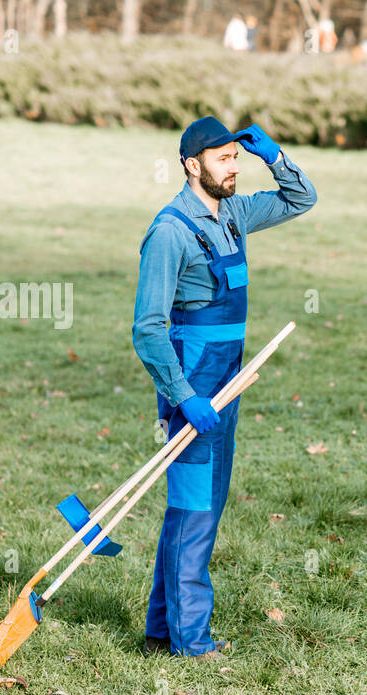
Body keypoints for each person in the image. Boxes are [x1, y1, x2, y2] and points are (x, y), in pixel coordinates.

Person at [131, 117, 318, 659]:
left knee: (198, 504)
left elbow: (301, 199)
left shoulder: (233, 214)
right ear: (193, 165)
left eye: (236, 157)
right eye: (222, 159)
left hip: (229, 378)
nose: (232, 167)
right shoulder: (169, 231)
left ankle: (162, 630)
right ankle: (190, 641)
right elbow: (147, 328)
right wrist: (183, 395)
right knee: (195, 507)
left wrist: (276, 158)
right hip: (194, 384)